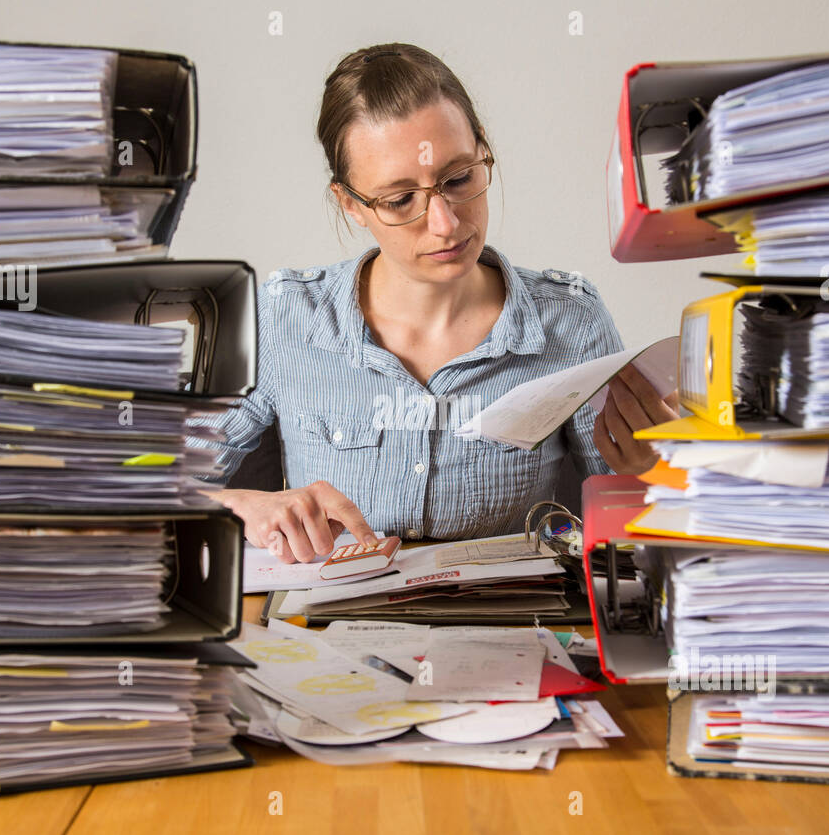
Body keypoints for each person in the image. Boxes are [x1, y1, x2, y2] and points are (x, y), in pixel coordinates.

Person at [211, 43, 678, 563]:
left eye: (459, 179)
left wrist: (650, 473)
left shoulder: (571, 319)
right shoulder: (283, 315)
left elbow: (629, 537)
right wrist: (235, 502)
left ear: (484, 152)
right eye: (399, 200)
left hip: (512, 632)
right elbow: (135, 485)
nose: (446, 224)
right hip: (321, 637)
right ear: (350, 203)